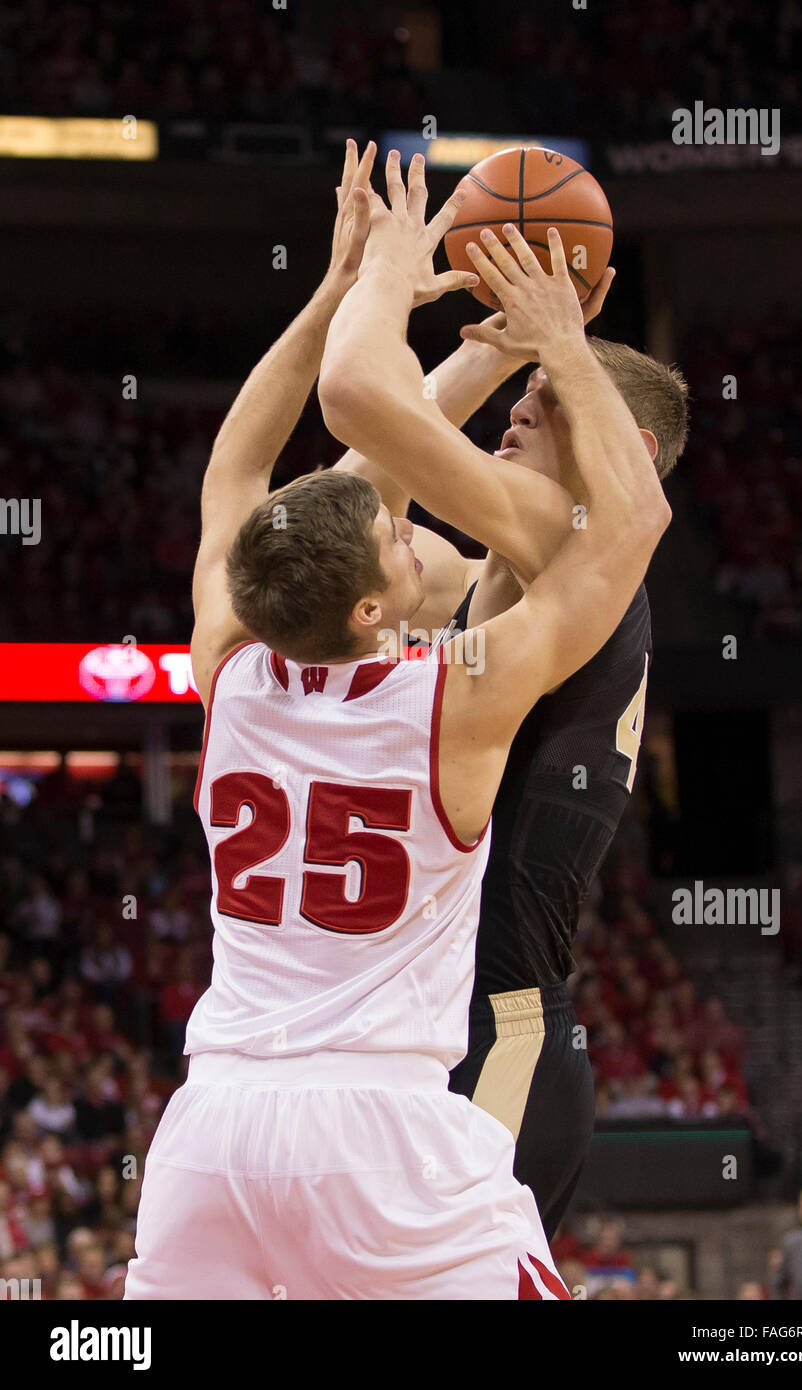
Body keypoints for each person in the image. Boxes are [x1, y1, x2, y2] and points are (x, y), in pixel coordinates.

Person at [124, 142, 669, 1300]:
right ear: (378, 600)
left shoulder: (230, 665)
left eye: (537, 406)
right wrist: (540, 338)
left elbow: (284, 477)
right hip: (392, 1097)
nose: (513, 415)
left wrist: (373, 285)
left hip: (278, 1094)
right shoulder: (457, 682)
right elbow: (347, 482)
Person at [334, 159, 688, 1234]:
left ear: (617, 457)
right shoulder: (463, 577)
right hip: (427, 1030)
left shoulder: (576, 550)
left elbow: (368, 409)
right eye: (516, 392)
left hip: (502, 1030)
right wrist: (502, 346)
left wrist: (544, 343)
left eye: (539, 401)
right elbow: (347, 506)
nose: (510, 410)